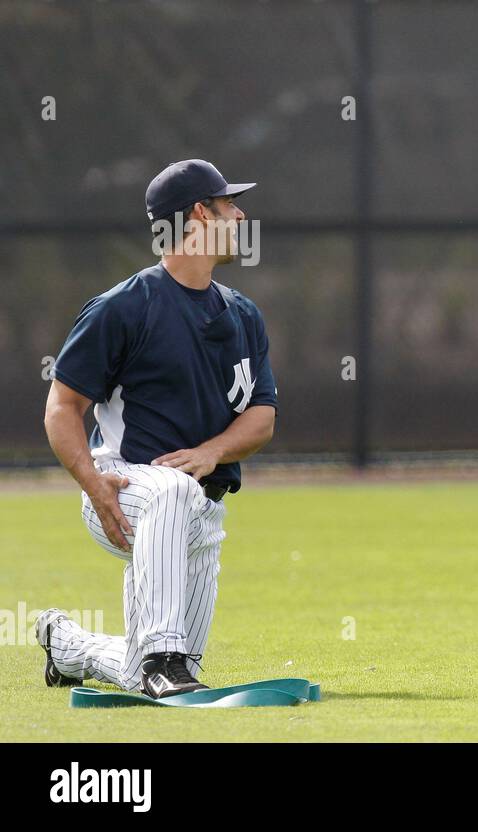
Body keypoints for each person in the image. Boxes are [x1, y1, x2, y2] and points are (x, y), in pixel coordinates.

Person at [37, 159, 278, 698]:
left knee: (150, 670)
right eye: (228, 204)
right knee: (170, 491)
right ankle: (161, 657)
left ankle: (66, 644)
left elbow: (262, 415)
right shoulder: (125, 307)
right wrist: (91, 483)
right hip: (125, 487)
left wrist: (213, 450)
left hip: (203, 510)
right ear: (199, 213)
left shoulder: (242, 315)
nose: (240, 214)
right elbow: (62, 405)